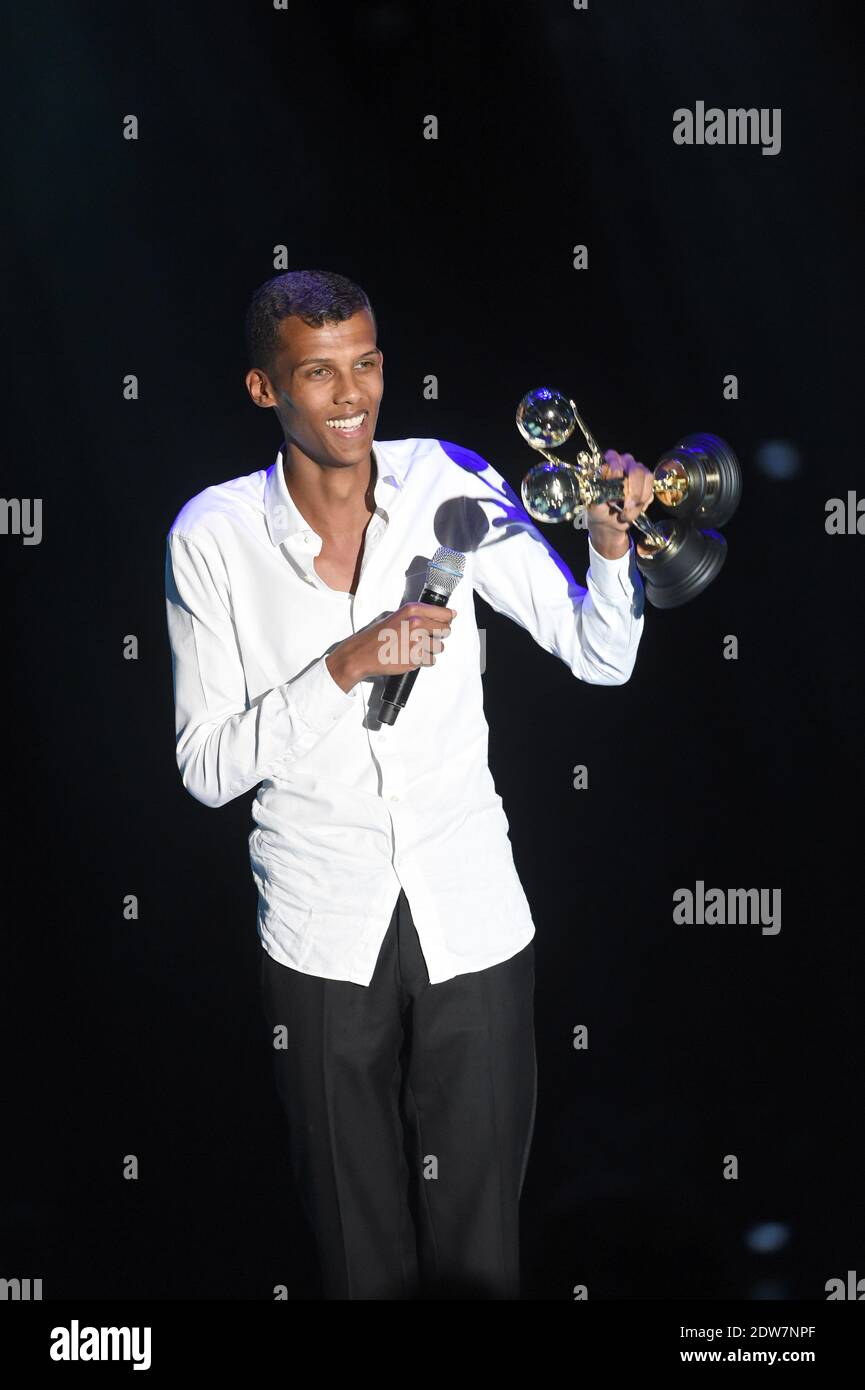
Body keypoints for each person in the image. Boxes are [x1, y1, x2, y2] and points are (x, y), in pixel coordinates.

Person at [164, 269, 653, 1300]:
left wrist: (610, 551)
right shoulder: (211, 536)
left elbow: (598, 654)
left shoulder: (448, 481)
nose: (351, 395)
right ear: (267, 391)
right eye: (319, 372)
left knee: (481, 1255)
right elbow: (207, 768)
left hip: (466, 909)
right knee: (356, 1257)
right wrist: (347, 662)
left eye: (367, 364)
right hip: (318, 925)